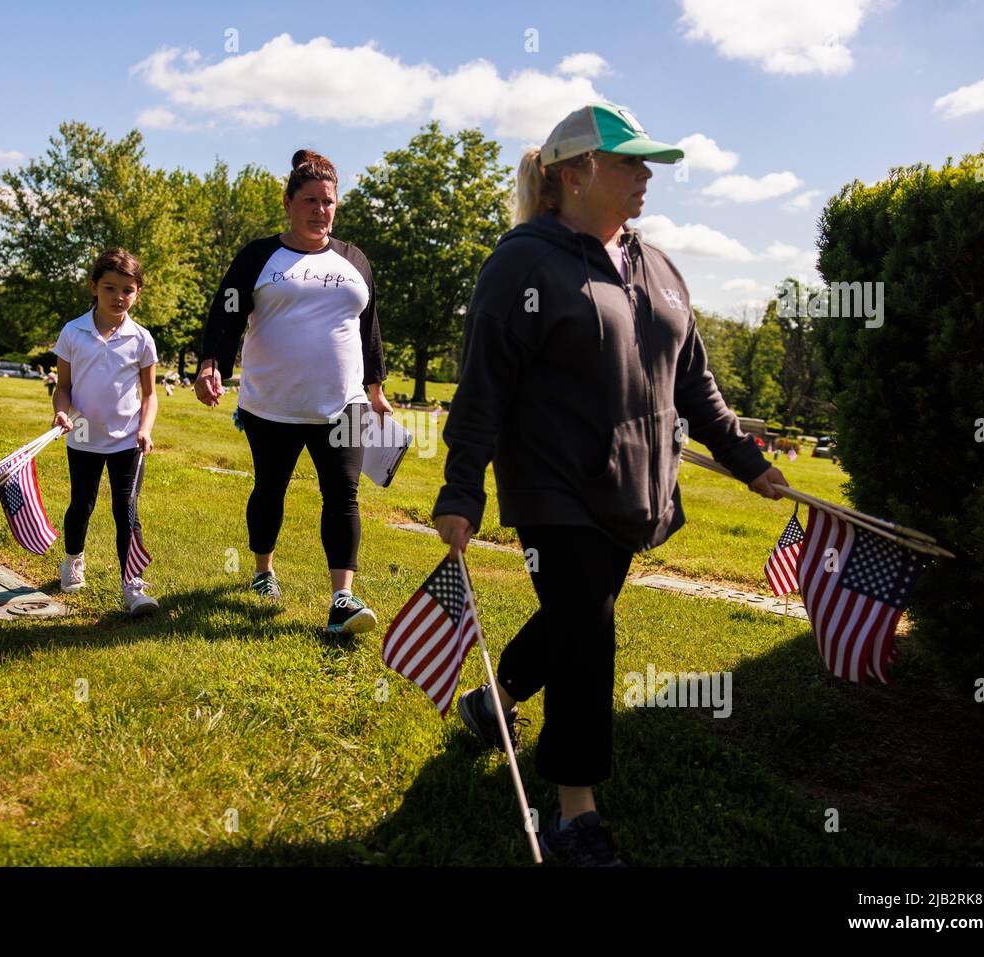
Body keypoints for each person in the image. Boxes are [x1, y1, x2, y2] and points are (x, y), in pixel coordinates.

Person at [432, 102, 789, 866]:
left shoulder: (656, 265)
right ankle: (575, 813)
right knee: (589, 632)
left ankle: (489, 703)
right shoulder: (521, 264)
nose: (646, 176)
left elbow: (695, 381)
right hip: (555, 487)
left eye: (647, 163)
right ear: (573, 173)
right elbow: (482, 388)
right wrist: (462, 489)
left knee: (576, 617)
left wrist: (745, 456)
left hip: (637, 489)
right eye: (630, 162)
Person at [195, 149, 391, 635]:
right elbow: (225, 315)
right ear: (288, 202)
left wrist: (376, 388)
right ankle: (264, 571)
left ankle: (342, 599)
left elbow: (368, 330)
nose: (319, 210)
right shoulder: (260, 257)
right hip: (273, 404)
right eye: (309, 200)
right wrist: (208, 364)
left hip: (344, 403)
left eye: (328, 202)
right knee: (270, 488)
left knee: (343, 495)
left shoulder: (354, 260)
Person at [52, 247, 161, 616]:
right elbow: (63, 386)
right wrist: (60, 413)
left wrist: (145, 429)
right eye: (110, 288)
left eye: (127, 290)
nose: (119, 297)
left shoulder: (142, 338)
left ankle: (133, 585)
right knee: (81, 503)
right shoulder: (73, 332)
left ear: (137, 293)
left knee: (126, 509)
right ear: (93, 288)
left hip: (127, 441)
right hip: (82, 435)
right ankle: (72, 559)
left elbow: (150, 395)